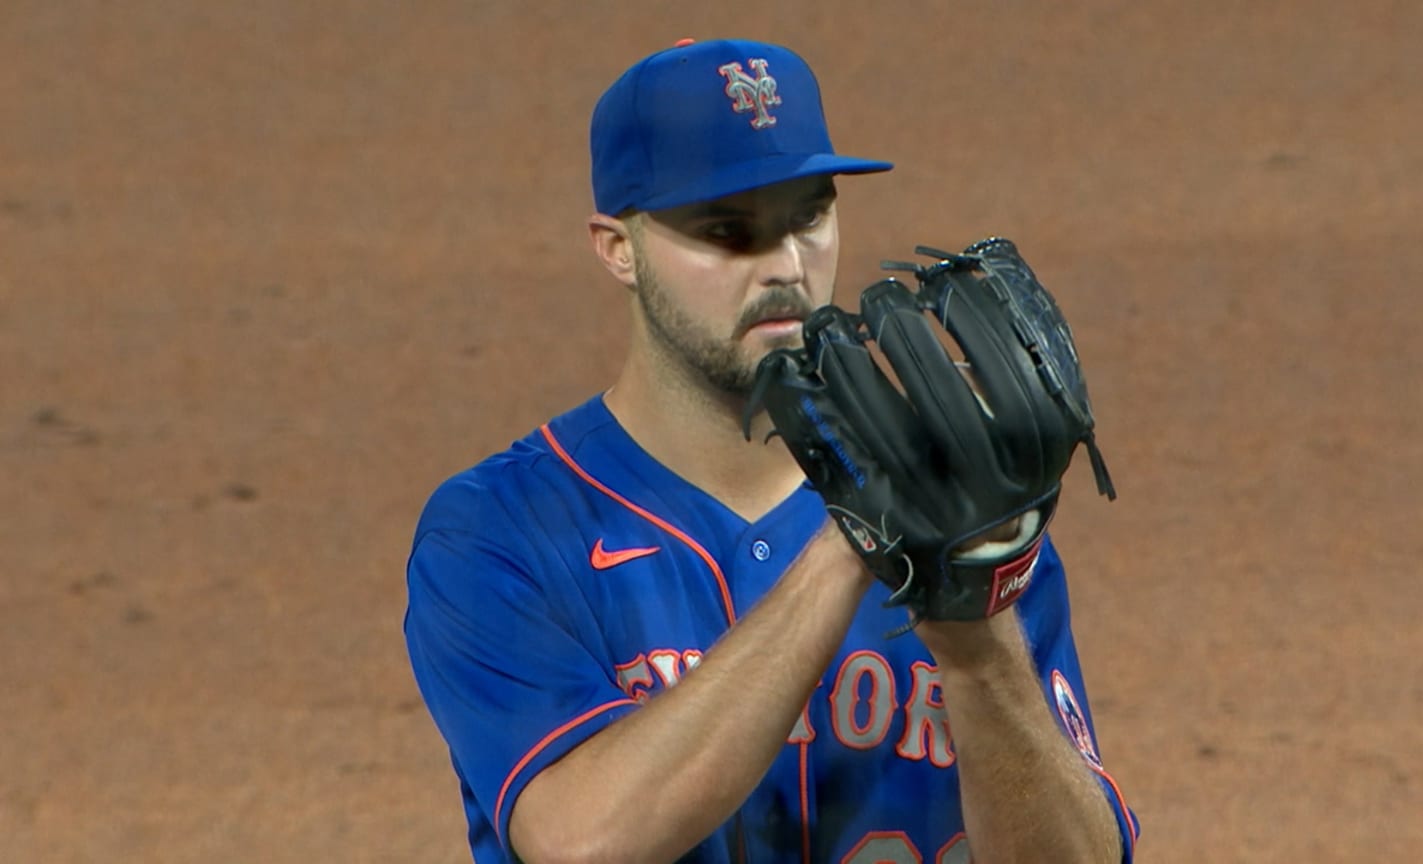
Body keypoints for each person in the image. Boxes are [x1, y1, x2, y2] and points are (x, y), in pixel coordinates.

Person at [404, 37, 1139, 864]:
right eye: (728, 232)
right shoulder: (501, 531)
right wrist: (858, 536)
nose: (785, 267)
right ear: (618, 248)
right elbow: (581, 841)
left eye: (809, 216)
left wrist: (979, 646)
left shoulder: (965, 508)